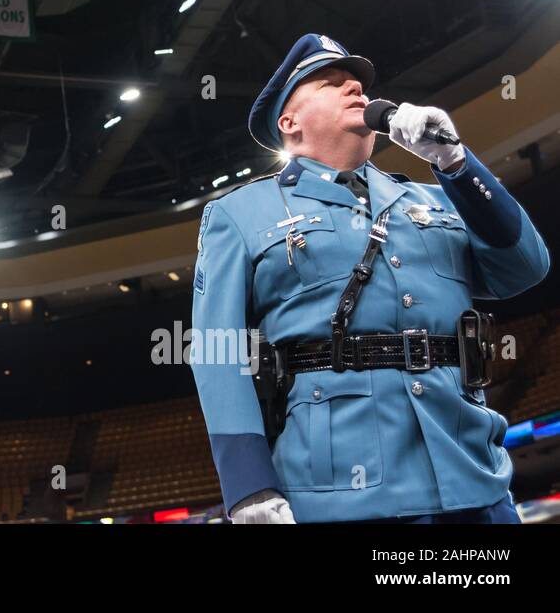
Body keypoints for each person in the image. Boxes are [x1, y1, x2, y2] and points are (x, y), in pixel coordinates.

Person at [191, 33, 550, 524]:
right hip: (340, 491)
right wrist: (248, 487)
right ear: (289, 122)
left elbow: (525, 268)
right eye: (330, 82)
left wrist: (455, 162)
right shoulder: (239, 213)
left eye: (357, 81)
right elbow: (217, 352)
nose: (355, 88)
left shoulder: (436, 196)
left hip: (472, 474)